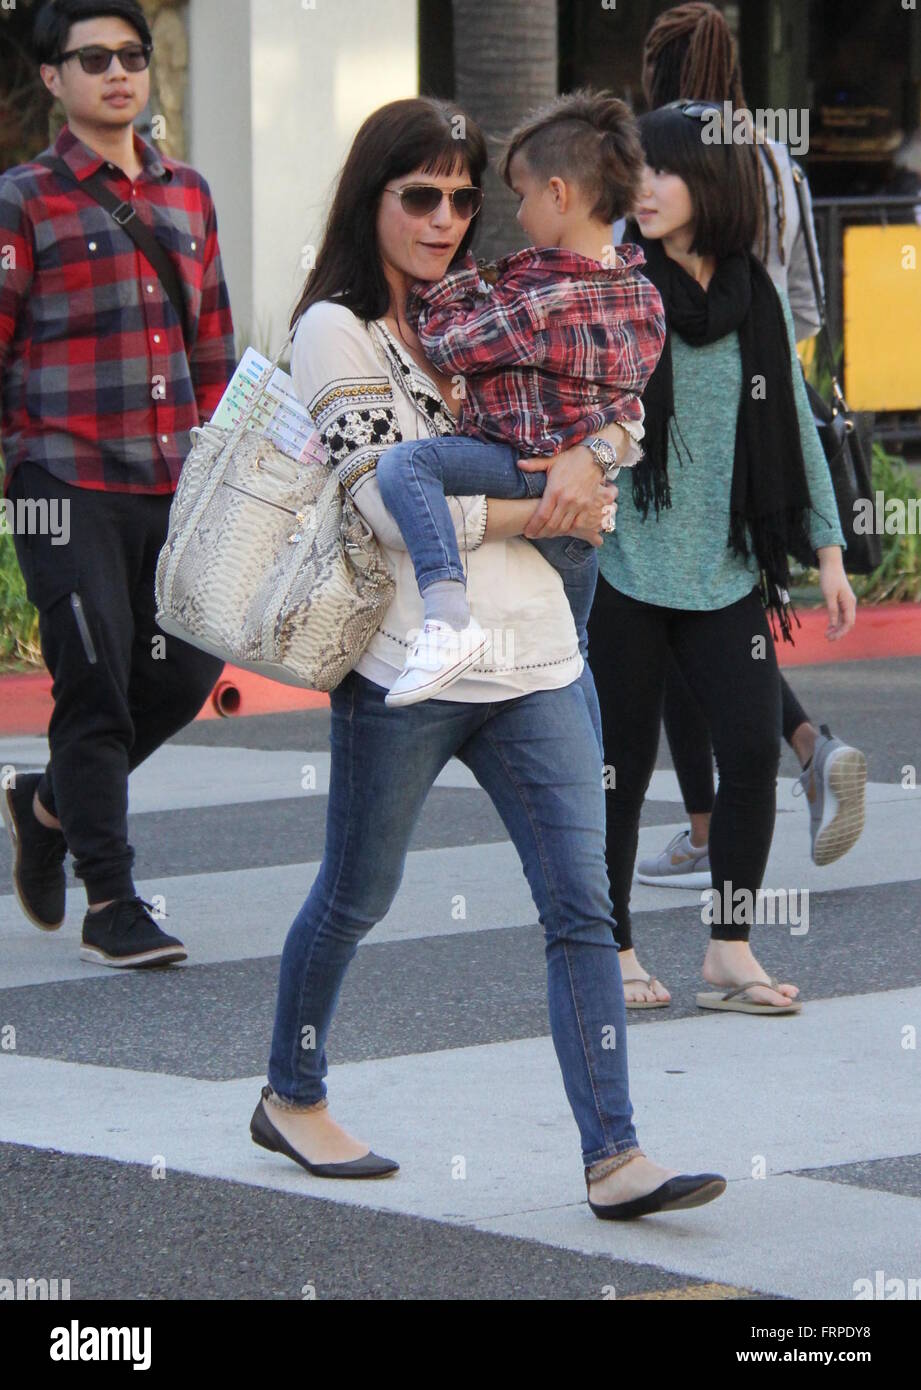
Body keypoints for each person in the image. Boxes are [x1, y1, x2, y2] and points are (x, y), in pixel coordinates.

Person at [252, 95, 725, 1221]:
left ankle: (615, 1155)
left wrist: (594, 454)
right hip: (409, 662)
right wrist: (552, 506)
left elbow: (621, 408)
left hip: (542, 659)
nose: (449, 218)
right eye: (422, 196)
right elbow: (374, 502)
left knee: (582, 912)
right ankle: (291, 1089)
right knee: (355, 897)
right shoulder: (336, 329)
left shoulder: (513, 295)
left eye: (466, 198)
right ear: (372, 198)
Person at [586, 100, 857, 1017]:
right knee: (617, 770)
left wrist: (826, 550)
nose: (642, 189)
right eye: (636, 174)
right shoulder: (619, 283)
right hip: (623, 568)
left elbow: (795, 427)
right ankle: (611, 948)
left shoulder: (754, 295)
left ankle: (727, 951)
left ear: (713, 183)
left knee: (748, 757)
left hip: (727, 570)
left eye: (660, 171)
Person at [622, 1, 867, 932]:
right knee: (714, 644)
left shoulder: (657, 175)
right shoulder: (776, 161)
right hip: (746, 429)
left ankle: (708, 828)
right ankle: (800, 751)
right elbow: (805, 301)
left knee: (690, 657)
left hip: (701, 446)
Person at [0, 0, 234, 966]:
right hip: (63, 477)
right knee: (93, 675)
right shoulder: (22, 199)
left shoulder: (187, 194)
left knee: (186, 670)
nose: (117, 73)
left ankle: (47, 802)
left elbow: (211, 339)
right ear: (53, 78)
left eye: (131, 55)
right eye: (91, 58)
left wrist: (229, 460)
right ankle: (112, 901)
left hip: (174, 477)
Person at [374, 92, 663, 707]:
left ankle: (447, 615)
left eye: (524, 195)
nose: (520, 213)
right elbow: (633, 398)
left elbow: (450, 346)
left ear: (558, 194)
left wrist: (452, 284)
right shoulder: (644, 297)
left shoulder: (536, 300)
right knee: (575, 658)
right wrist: (600, 445)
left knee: (406, 465)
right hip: (581, 508)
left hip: (519, 468)